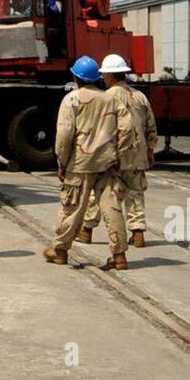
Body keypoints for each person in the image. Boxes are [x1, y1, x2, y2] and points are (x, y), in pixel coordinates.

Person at [43, 55, 128, 270]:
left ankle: (60, 250)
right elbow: (126, 130)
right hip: (107, 162)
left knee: (72, 208)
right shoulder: (111, 99)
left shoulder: (72, 99)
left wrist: (62, 162)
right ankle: (119, 256)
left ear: (76, 76)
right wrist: (119, 157)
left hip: (80, 164)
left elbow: (64, 135)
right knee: (111, 208)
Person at [79, 55, 159, 248]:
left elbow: (100, 129)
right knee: (136, 194)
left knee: (99, 194)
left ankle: (86, 230)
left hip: (111, 157)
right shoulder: (140, 97)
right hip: (137, 156)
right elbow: (151, 128)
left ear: (108, 76)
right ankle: (138, 233)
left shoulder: (106, 98)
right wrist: (150, 150)